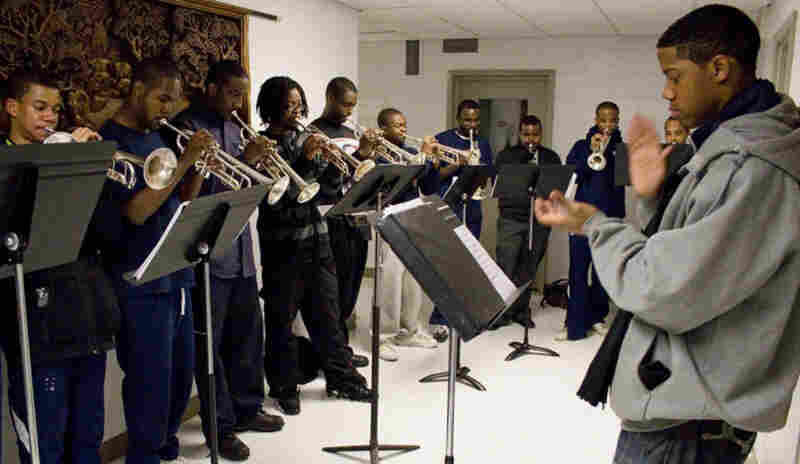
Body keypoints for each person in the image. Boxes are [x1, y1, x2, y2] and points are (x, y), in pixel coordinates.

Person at [534, 5, 800, 463]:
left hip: (687, 427)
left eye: (675, 76)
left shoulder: (750, 165)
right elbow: (698, 250)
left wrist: (594, 224)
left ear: (719, 68)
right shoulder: (727, 146)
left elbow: (658, 288)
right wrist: (655, 197)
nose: (666, 91)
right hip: (690, 412)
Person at [98, 57, 215, 464]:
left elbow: (181, 202)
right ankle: (144, 456)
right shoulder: (111, 142)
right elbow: (137, 212)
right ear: (136, 91)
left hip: (175, 271)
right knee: (149, 382)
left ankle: (165, 448)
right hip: (138, 280)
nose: (167, 109)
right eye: (161, 98)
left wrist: (197, 167)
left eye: (174, 101)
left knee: (180, 377)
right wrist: (183, 161)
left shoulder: (159, 137)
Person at [0, 69, 119, 464]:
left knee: (87, 433)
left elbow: (102, 233)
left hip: (86, 310)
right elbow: (19, 235)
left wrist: (88, 168)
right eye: (39, 107)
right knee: (44, 442)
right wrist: (59, 162)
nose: (50, 117)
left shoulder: (65, 153)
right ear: (12, 107)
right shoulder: (5, 163)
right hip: (35, 321)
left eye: (55, 109)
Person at [170, 60, 284, 461]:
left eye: (243, 94)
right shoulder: (186, 128)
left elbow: (247, 188)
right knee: (211, 346)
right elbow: (196, 196)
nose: (239, 102)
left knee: (248, 336)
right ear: (212, 88)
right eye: (233, 93)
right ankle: (220, 427)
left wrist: (258, 163)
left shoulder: (238, 129)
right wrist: (249, 162)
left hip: (241, 250)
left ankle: (248, 408)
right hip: (206, 253)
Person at [256, 76, 373, 416]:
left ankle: (342, 379)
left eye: (298, 104)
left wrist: (343, 159)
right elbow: (280, 200)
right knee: (281, 321)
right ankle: (284, 385)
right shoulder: (262, 145)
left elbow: (326, 189)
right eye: (288, 105)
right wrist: (306, 161)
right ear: (272, 106)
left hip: (318, 240)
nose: (295, 111)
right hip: (282, 247)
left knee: (328, 316)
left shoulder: (305, 137)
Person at [310, 76, 381, 369]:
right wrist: (361, 154)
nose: (349, 111)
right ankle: (332, 354)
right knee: (334, 293)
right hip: (330, 216)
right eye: (344, 104)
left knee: (352, 288)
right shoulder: (315, 131)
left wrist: (370, 154)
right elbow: (325, 179)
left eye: (353, 105)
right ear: (329, 98)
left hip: (356, 216)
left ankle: (342, 349)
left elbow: (361, 174)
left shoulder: (351, 131)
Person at [373, 107, 440, 361]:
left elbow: (428, 188)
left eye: (404, 124)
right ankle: (383, 337)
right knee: (390, 279)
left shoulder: (412, 153)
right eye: (397, 125)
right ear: (383, 129)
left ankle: (410, 330)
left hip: (412, 217)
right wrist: (420, 159)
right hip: (389, 219)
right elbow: (394, 187)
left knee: (413, 278)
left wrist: (431, 163)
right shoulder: (379, 156)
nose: (403, 129)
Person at [428, 99, 494, 342]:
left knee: (469, 264)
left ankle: (464, 314)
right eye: (467, 120)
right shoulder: (442, 139)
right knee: (446, 264)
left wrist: (481, 173)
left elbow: (487, 176)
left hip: (473, 206)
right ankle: (439, 318)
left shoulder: (484, 144)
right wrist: (459, 163)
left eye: (476, 120)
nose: (472, 124)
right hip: (449, 203)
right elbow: (432, 177)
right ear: (458, 118)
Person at [561, 101, 625, 341]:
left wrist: (615, 152)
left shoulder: (622, 148)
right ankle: (574, 323)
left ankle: (598, 317)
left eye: (613, 120)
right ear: (595, 120)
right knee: (577, 271)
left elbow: (627, 179)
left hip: (610, 217)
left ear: (618, 122)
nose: (608, 125)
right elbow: (573, 174)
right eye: (603, 120)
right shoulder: (581, 145)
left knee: (602, 272)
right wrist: (591, 151)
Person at [493, 115, 561, 329]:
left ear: (541, 134)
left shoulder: (551, 157)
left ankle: (521, 311)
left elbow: (557, 187)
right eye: (526, 134)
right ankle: (501, 312)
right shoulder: (507, 156)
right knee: (506, 266)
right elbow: (499, 184)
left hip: (539, 221)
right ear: (520, 134)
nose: (531, 139)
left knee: (529, 268)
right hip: (512, 218)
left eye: (535, 134)